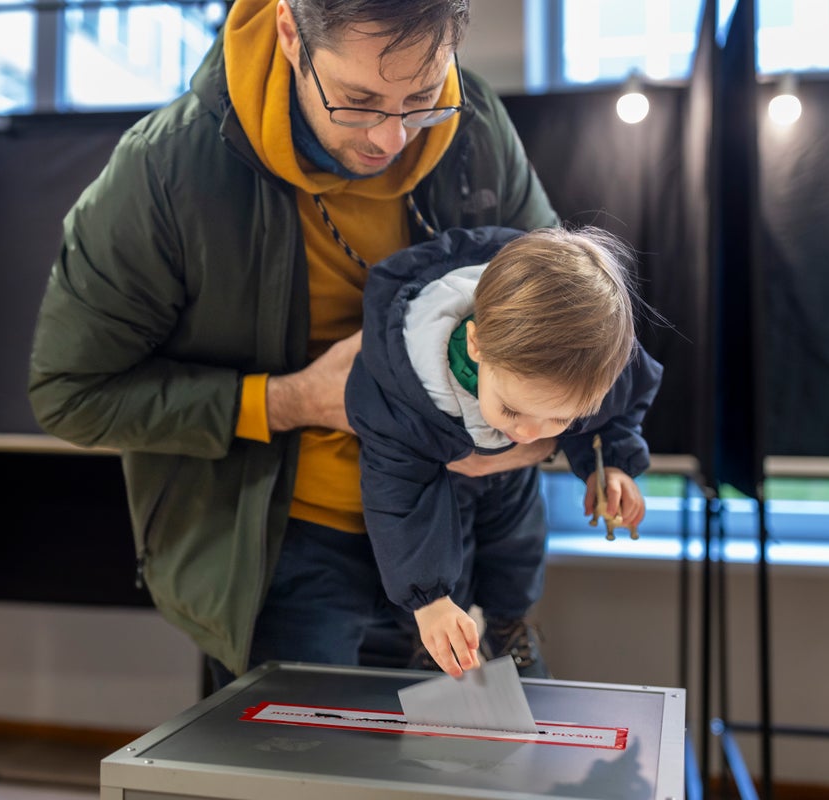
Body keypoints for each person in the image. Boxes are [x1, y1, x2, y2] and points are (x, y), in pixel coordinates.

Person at [28, 0, 560, 688]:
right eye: (358, 102)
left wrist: (543, 433)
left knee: (454, 787)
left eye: (422, 99)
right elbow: (70, 393)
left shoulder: (475, 126)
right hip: (284, 558)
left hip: (455, 533)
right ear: (289, 33)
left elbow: (563, 313)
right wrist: (288, 401)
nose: (393, 138)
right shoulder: (167, 170)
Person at [348, 225, 664, 678]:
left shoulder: (593, 362)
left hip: (510, 484)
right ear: (476, 346)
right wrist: (429, 602)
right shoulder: (407, 390)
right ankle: (436, 642)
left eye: (561, 419)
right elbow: (396, 494)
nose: (532, 435)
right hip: (437, 480)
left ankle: (508, 622)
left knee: (520, 542)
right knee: (442, 542)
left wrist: (610, 464)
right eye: (513, 409)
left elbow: (618, 410)